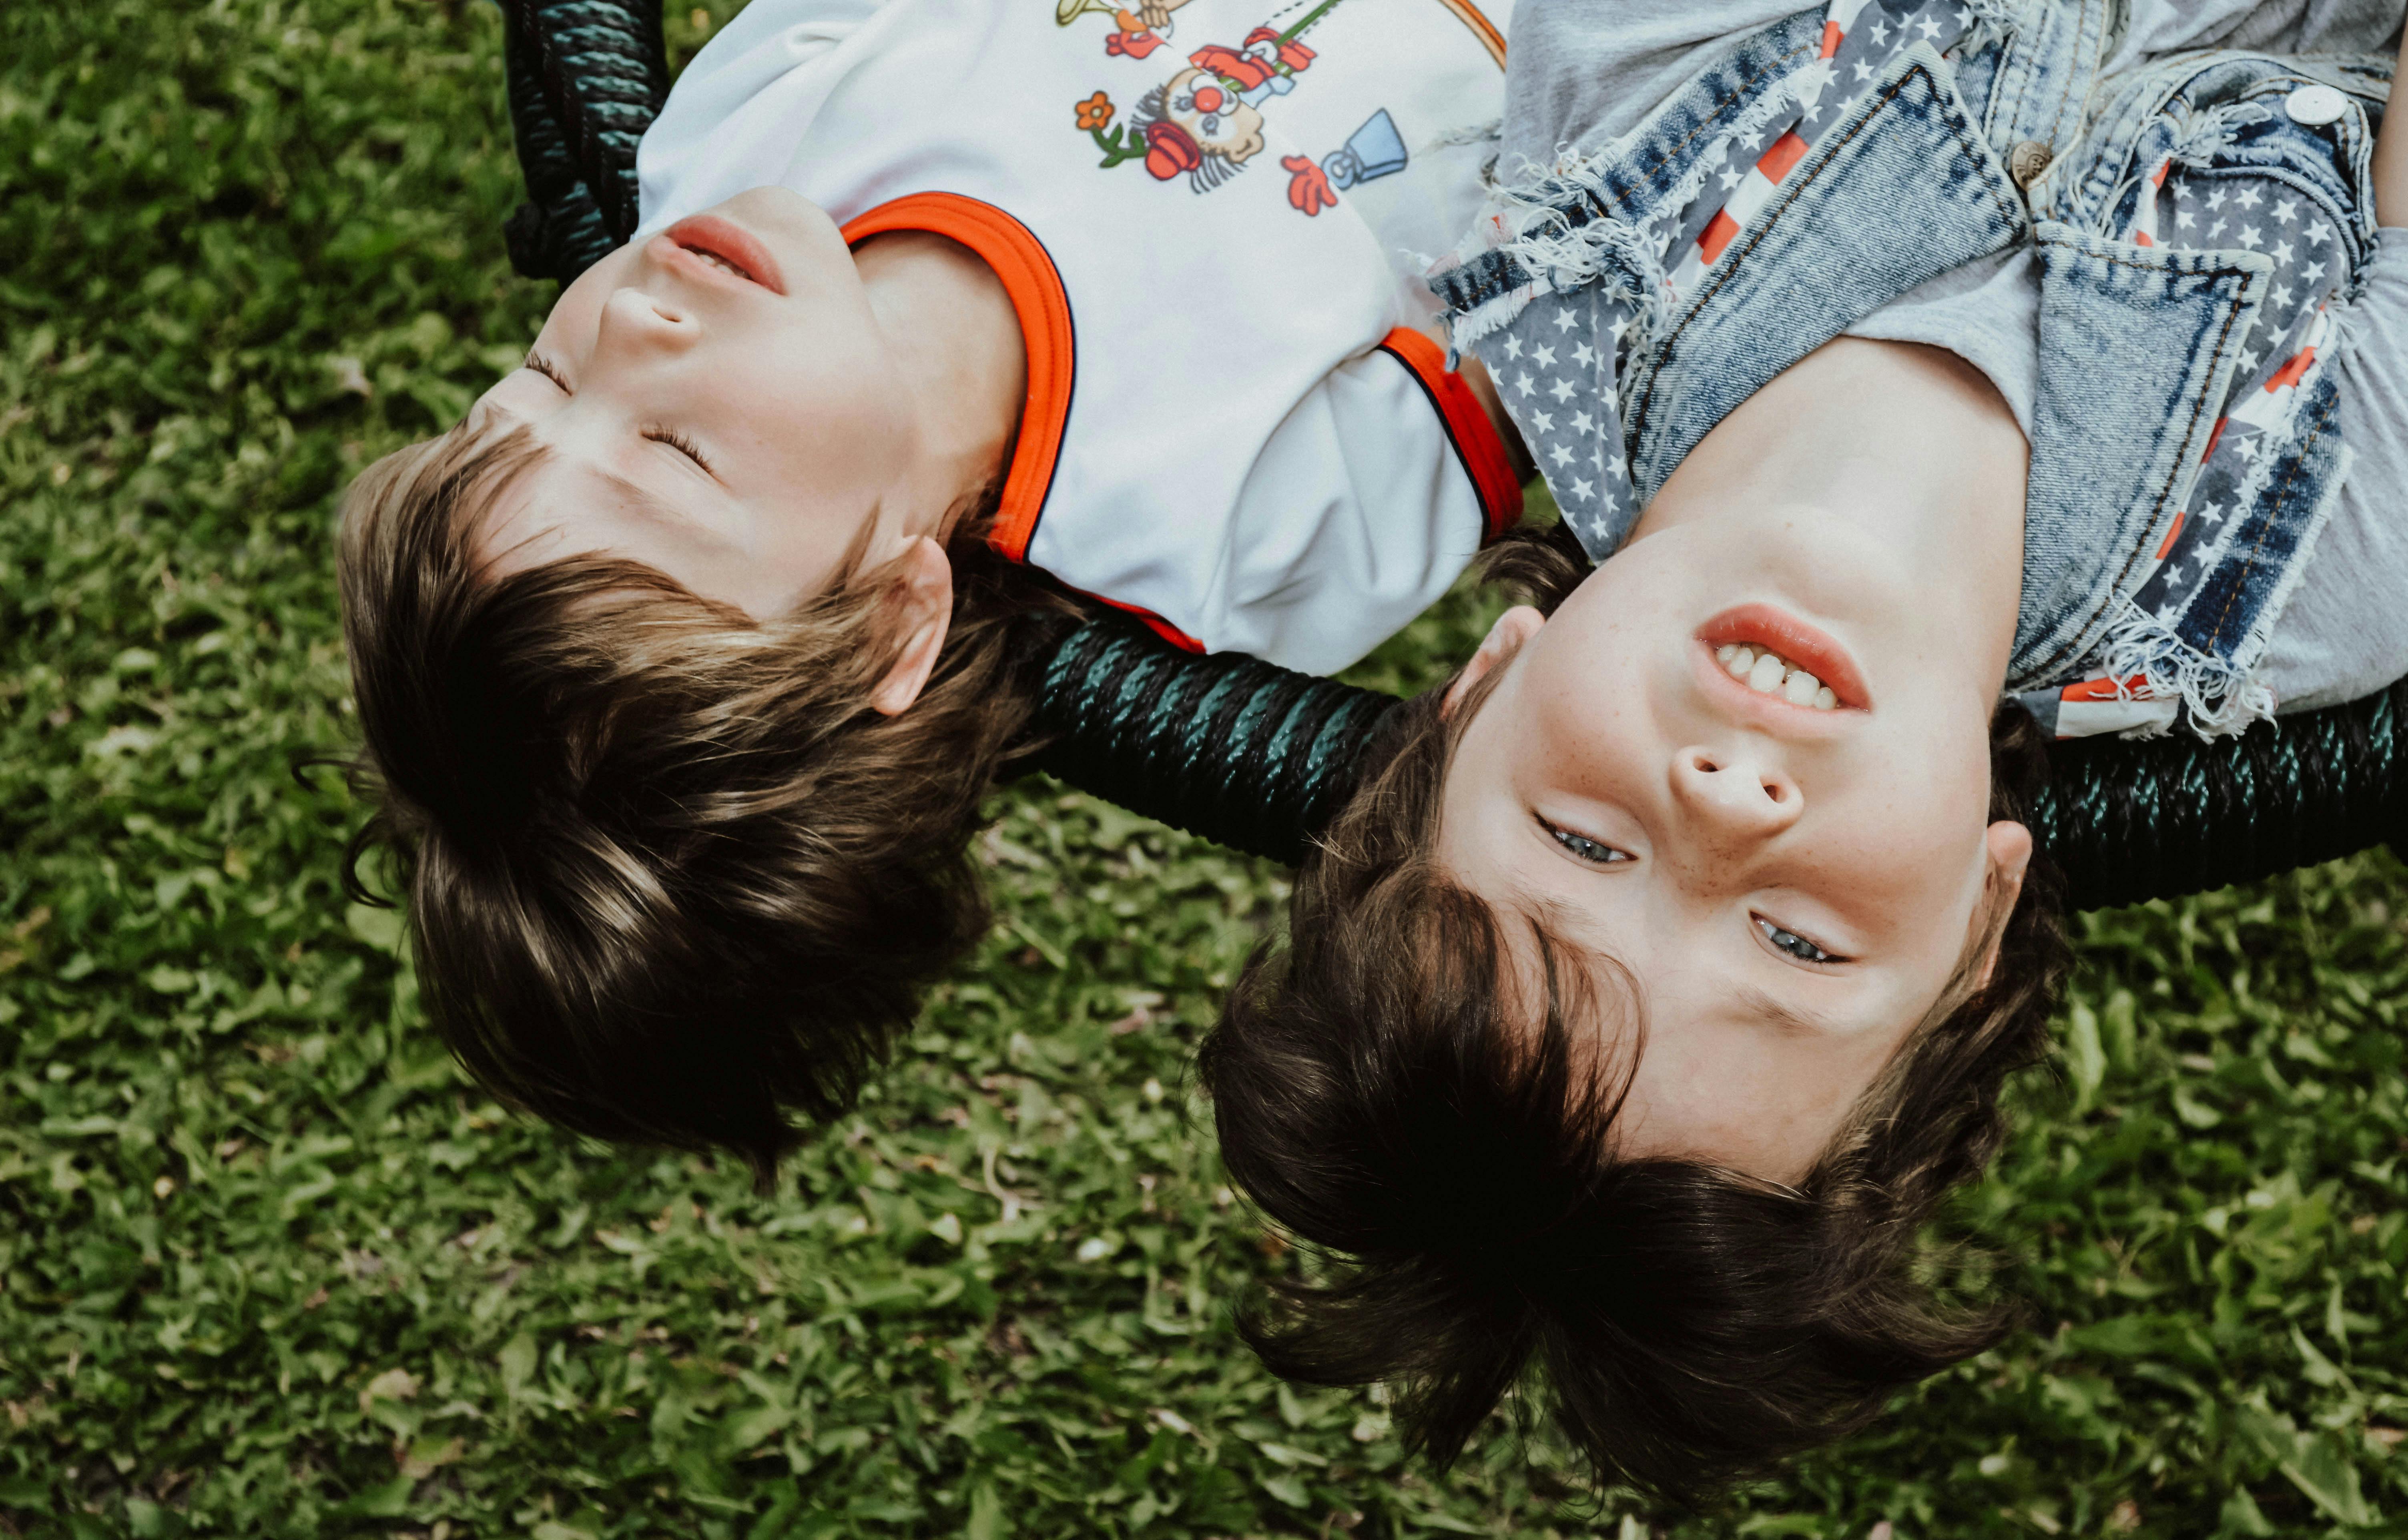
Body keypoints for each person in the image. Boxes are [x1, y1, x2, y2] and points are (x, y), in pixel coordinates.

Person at [1204, 0, 2408, 1502]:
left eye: (1582, 848)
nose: (1721, 808)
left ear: (1479, 695)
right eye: (1797, 943)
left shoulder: (1609, 204)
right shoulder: (2311, 562)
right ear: (1979, 916)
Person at [336, 0, 1527, 1179]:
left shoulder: (736, 139)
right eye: (673, 454)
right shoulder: (1228, 523)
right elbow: (1561, 304)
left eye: (542, 379)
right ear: (894, 623)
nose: (630, 320)